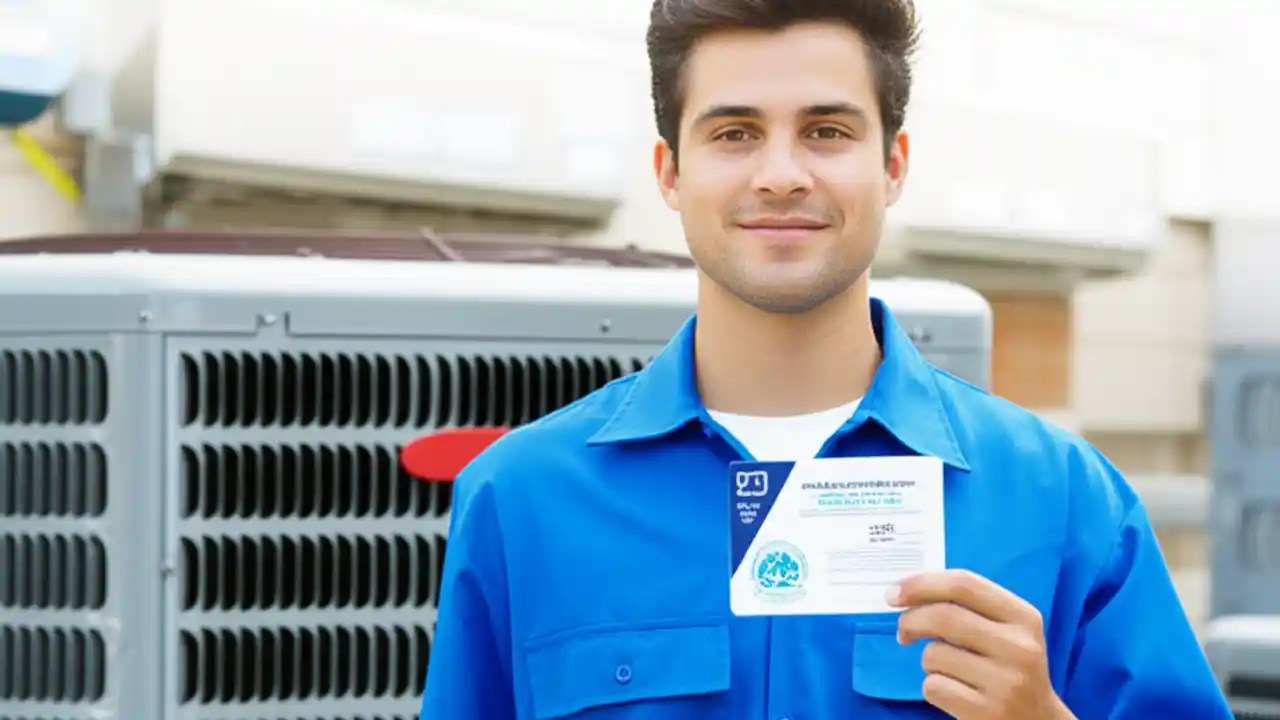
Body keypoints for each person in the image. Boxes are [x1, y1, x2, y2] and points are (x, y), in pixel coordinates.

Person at [418, 1, 1232, 718]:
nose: (781, 176)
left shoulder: (1062, 500)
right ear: (670, 173)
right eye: (735, 133)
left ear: (893, 166)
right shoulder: (522, 500)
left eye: (827, 132)